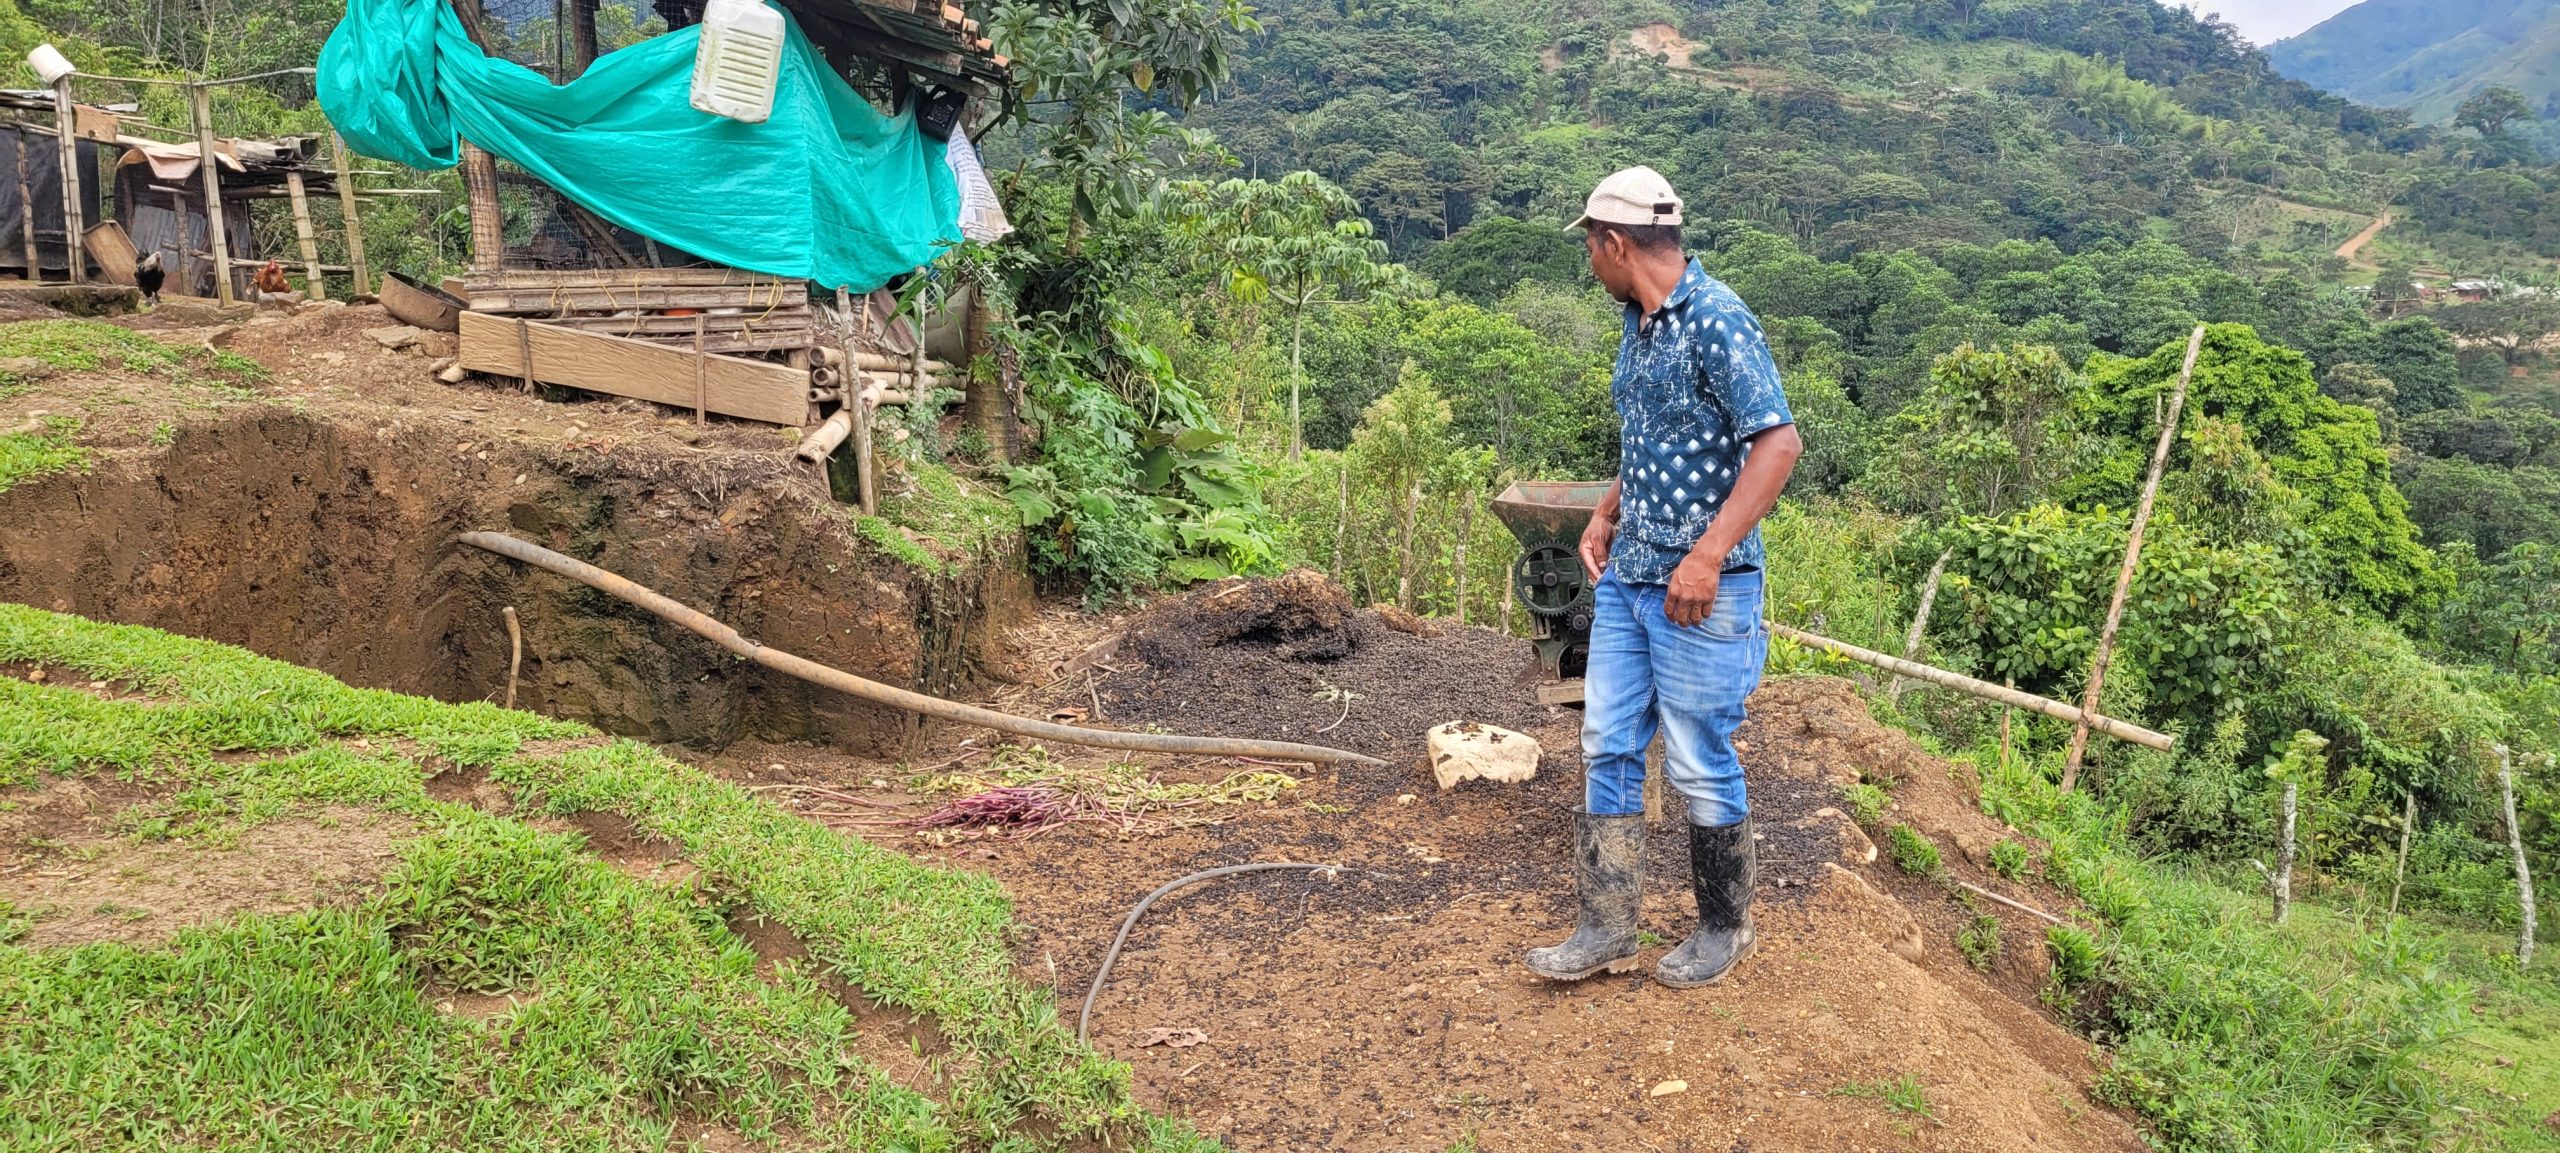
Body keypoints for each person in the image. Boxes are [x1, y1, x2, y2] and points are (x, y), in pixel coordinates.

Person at [1525, 166, 1802, 989]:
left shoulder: (1719, 319)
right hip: (1631, 575)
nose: (1589, 266)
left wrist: (1709, 552)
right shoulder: (1639, 325)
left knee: (1696, 754)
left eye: (1590, 250)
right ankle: (1607, 924)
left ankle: (1725, 925)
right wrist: (1609, 506)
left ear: (1615, 243)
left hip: (1701, 588)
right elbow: (1651, 433)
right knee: (1607, 740)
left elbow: (1778, 444)